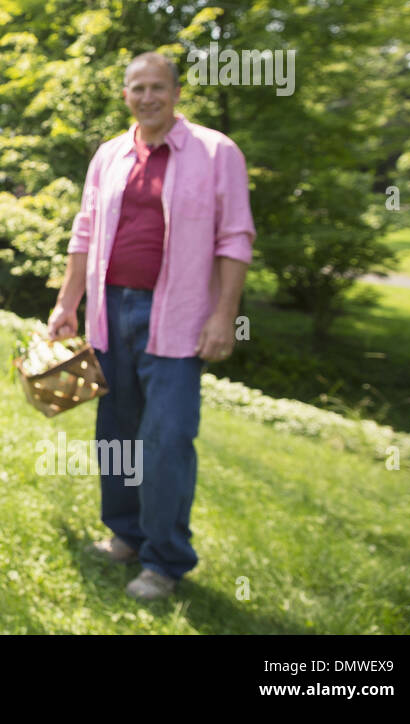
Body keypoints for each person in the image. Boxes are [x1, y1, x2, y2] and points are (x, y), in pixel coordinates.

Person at [47, 52, 255, 601]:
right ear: (125, 95)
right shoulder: (109, 155)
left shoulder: (217, 153)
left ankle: (164, 561)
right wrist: (68, 303)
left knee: (166, 439)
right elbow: (85, 231)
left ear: (176, 92)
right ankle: (126, 535)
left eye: (157, 87)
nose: (147, 97)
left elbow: (235, 239)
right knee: (116, 433)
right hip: (109, 317)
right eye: (137, 88)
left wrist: (224, 316)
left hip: (180, 321)